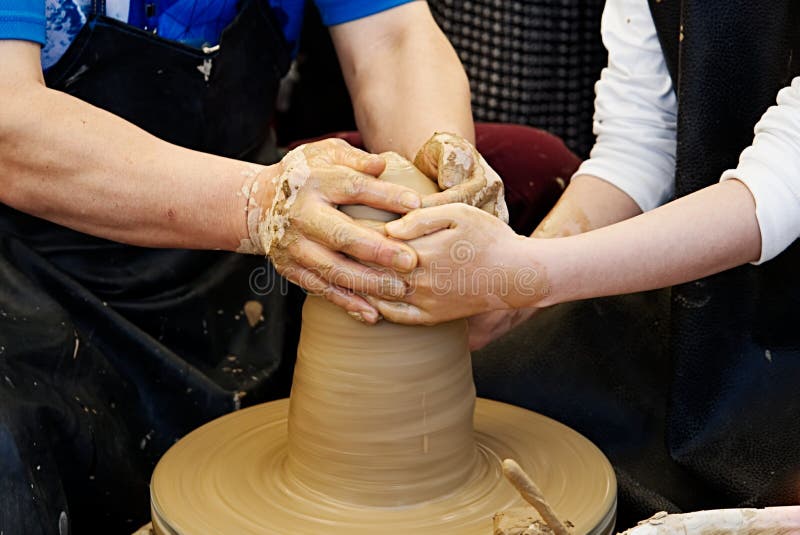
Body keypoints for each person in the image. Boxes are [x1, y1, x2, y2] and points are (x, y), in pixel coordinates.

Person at [0, 1, 529, 532]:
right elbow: (11, 122)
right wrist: (259, 205)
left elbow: (392, 39)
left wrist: (436, 189)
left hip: (255, 260)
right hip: (36, 278)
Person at [368, 0, 800, 527]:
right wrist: (507, 297)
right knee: (497, 382)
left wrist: (528, 272)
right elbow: (639, 146)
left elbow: (780, 189)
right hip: (705, 292)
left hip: (783, 331)